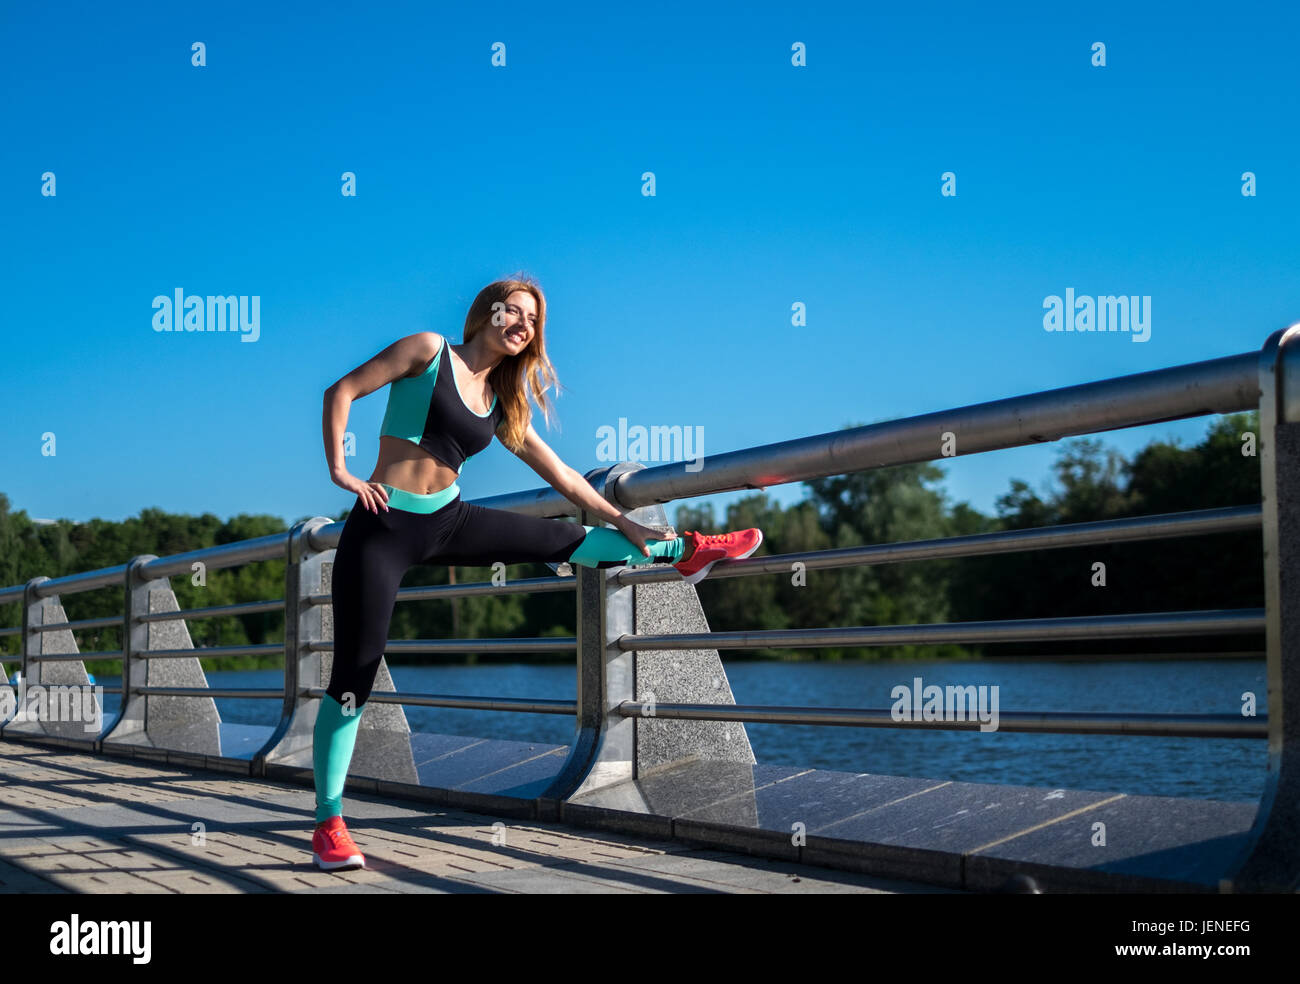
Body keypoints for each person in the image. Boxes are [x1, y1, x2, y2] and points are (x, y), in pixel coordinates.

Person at [311, 276, 762, 870]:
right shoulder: (427, 351)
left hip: (449, 519)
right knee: (354, 676)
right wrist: (342, 472)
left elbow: (568, 480)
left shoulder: (500, 404)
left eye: (533, 322)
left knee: (566, 538)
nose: (523, 325)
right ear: (487, 313)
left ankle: (684, 549)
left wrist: (628, 523)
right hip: (382, 526)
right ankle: (329, 824)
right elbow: (340, 391)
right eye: (514, 312)